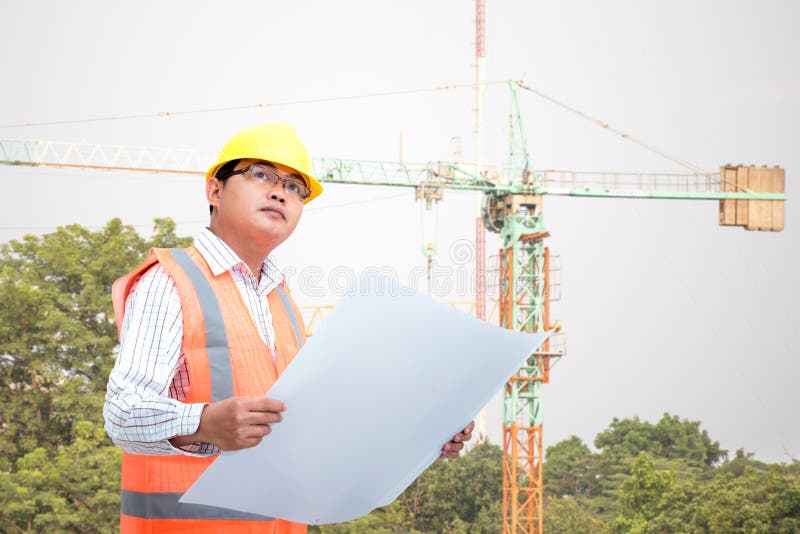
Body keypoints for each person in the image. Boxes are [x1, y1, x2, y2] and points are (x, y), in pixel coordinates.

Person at [103, 122, 475, 533]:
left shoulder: (281, 302)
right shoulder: (170, 281)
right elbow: (121, 414)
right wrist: (205, 422)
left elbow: (307, 433)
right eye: (261, 175)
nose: (281, 192)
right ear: (214, 190)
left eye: (296, 187)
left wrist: (424, 430)